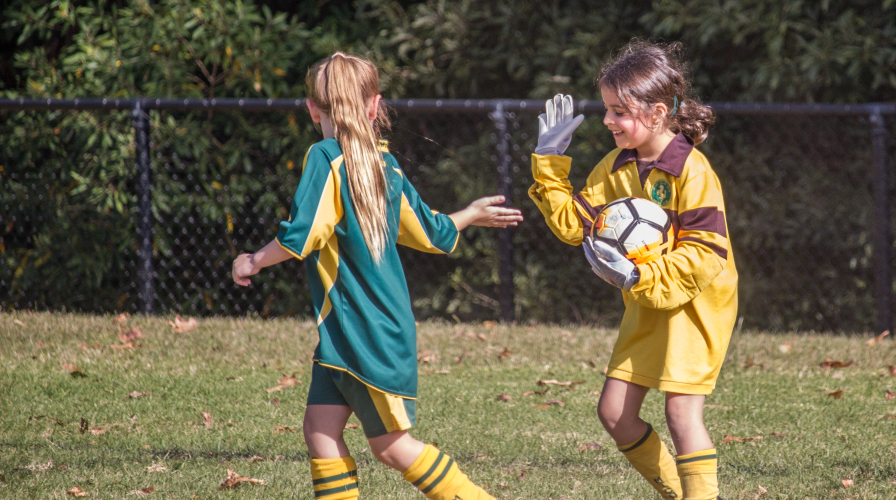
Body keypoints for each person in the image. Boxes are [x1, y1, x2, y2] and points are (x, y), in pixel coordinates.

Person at [232, 52, 520, 500]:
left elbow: (303, 234)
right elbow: (430, 231)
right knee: (319, 430)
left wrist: (252, 260)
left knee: (390, 447)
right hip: (354, 330)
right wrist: (470, 213)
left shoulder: (326, 157)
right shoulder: (384, 164)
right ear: (373, 105)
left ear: (312, 108)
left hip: (368, 332)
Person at [528, 40, 738, 500]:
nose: (607, 121)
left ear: (658, 112)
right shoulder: (614, 166)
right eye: (606, 109)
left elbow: (705, 255)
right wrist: (548, 162)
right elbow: (573, 226)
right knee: (614, 413)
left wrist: (641, 277)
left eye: (619, 111)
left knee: (682, 416)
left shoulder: (693, 172)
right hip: (645, 298)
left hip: (695, 305)